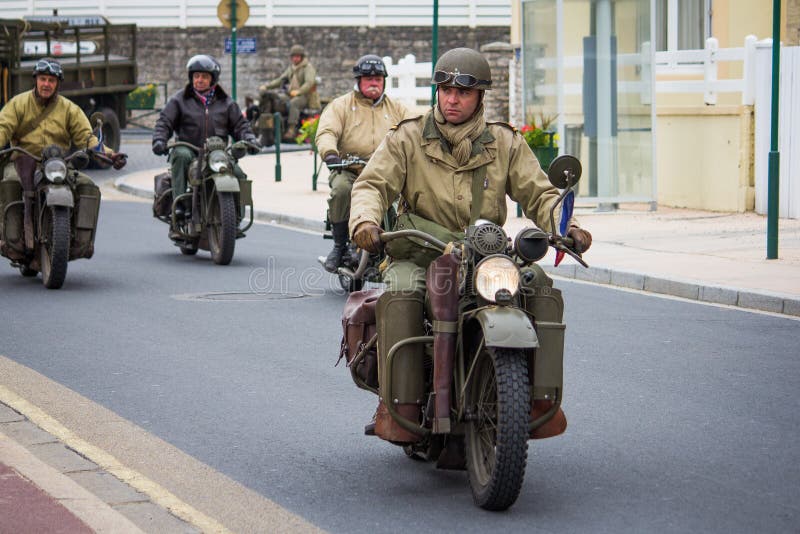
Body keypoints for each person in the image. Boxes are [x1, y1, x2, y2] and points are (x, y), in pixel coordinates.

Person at [348, 47, 593, 439]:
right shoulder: (408, 138)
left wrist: (569, 225)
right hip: (422, 251)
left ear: (480, 96)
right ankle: (400, 406)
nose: (452, 98)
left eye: (462, 92)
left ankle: (539, 402)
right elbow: (372, 185)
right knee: (402, 291)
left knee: (537, 286)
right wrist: (365, 220)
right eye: (444, 89)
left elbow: (540, 194)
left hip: (486, 256)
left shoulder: (505, 143)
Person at [0, 58, 125, 250]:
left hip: (57, 162)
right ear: (36, 80)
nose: (46, 84)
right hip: (23, 160)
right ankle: (12, 240)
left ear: (58, 83)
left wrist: (110, 154)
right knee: (10, 181)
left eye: (51, 80)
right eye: (43, 79)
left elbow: (87, 137)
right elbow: (3, 127)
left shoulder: (70, 109)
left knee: (86, 185)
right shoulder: (18, 103)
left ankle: (80, 242)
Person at [315, 54, 413, 272]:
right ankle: (340, 246)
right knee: (341, 190)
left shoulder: (397, 109)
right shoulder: (340, 105)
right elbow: (327, 132)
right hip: (350, 169)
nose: (374, 82)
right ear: (358, 81)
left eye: (378, 78)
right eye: (368, 79)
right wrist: (331, 154)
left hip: (385, 172)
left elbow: (416, 128)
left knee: (410, 198)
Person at [151, 54, 259, 237]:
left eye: (204, 76)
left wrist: (250, 139)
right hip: (190, 149)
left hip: (217, 154)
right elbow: (164, 122)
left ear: (213, 80)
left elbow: (241, 125)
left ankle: (236, 217)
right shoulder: (179, 100)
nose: (199, 80)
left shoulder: (227, 103)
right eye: (196, 76)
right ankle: (180, 210)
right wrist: (159, 140)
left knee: (239, 174)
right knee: (180, 155)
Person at [258, 44, 320, 140]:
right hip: (291, 94)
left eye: (297, 56)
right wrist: (266, 86)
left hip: (305, 96)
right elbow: (280, 80)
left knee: (293, 103)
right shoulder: (291, 68)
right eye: (293, 56)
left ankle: (291, 129)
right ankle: (269, 126)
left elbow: (309, 83)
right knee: (276, 99)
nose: (295, 59)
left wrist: (299, 91)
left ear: (301, 57)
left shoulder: (308, 68)